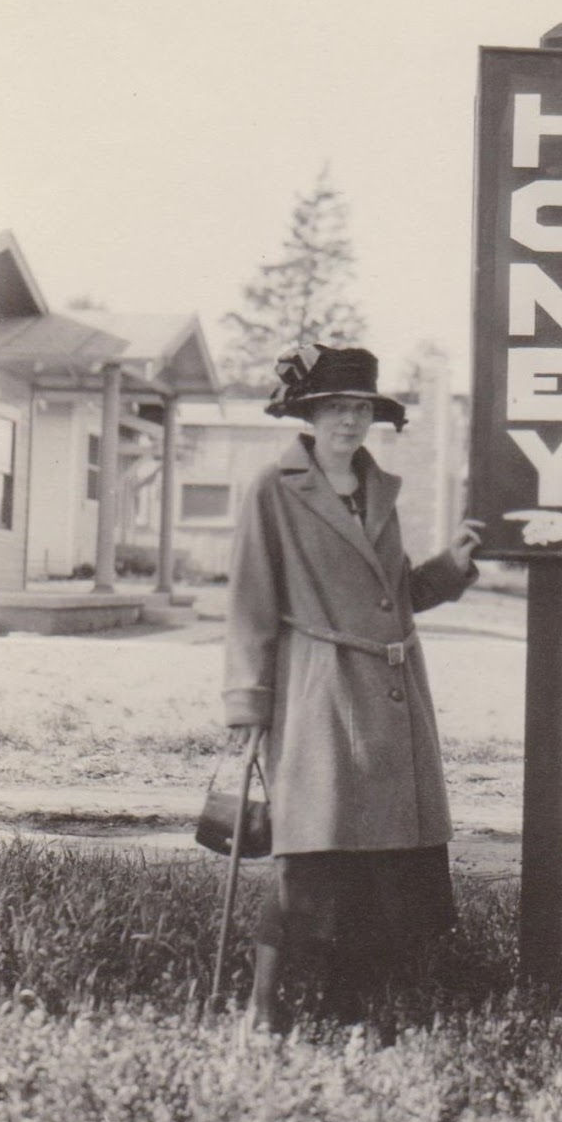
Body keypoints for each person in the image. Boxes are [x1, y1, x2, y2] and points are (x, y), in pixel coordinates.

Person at [223, 343, 483, 1032]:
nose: (349, 421)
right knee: (310, 852)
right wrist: (249, 703)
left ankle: (354, 1008)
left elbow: (393, 595)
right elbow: (251, 599)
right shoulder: (272, 489)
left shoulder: (380, 490)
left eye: (361, 408)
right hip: (318, 691)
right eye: (336, 408)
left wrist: (450, 569)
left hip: (394, 693)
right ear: (308, 415)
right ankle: (263, 1009)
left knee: (384, 864)